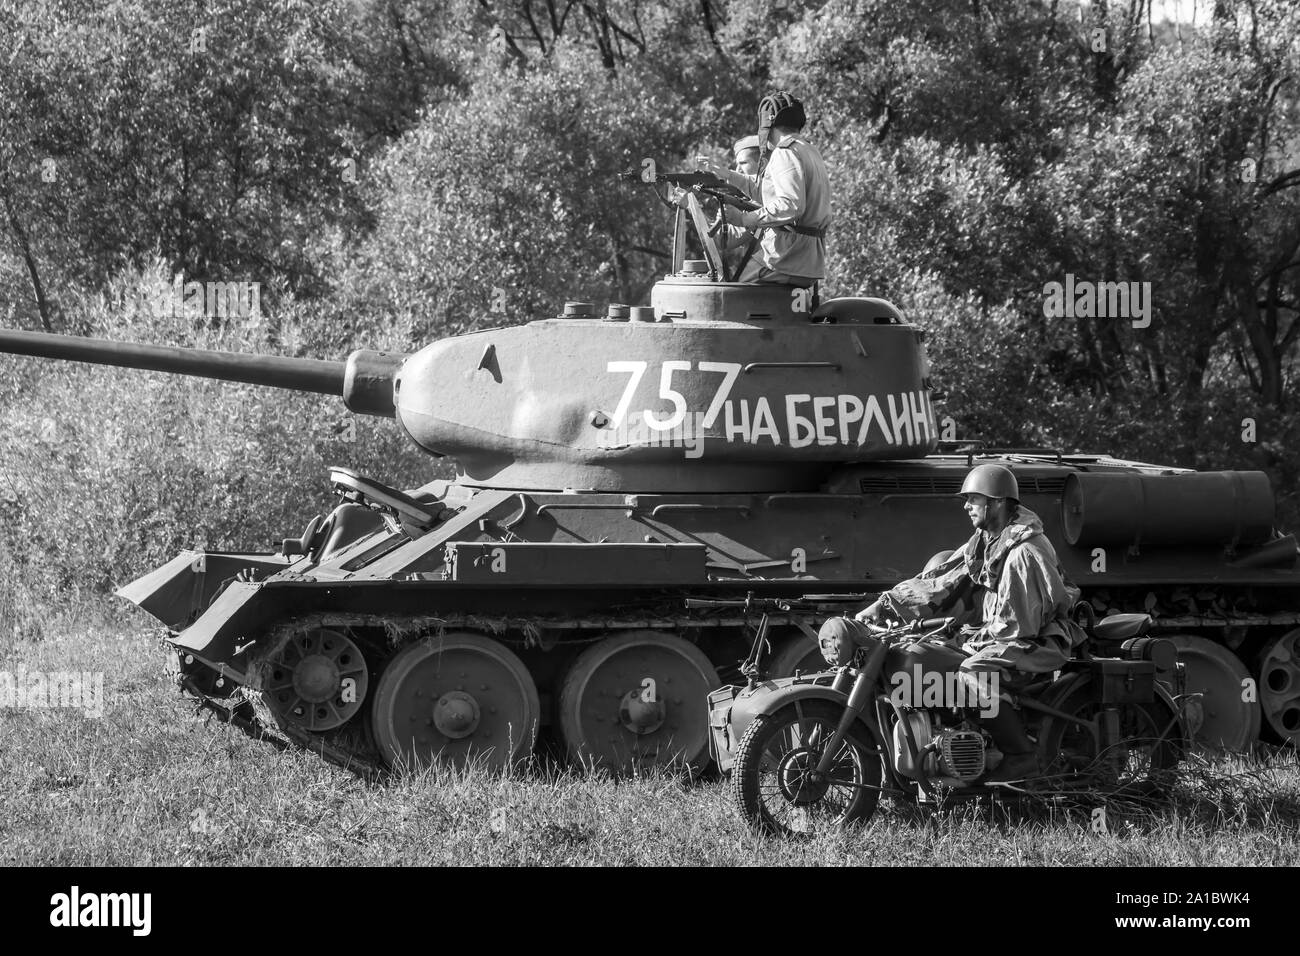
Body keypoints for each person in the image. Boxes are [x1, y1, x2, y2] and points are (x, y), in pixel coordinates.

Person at [819, 464, 1085, 782]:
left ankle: (1020, 756)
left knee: (972, 672)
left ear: (997, 502)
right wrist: (880, 608)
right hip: (1005, 634)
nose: (966, 506)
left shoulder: (1022, 552)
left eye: (973, 499)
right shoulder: (985, 543)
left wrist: (967, 639)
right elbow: (937, 581)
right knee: (924, 656)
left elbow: (1017, 626)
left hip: (1037, 641)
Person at [700, 91, 831, 287]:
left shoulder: (783, 152)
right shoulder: (809, 150)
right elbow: (769, 191)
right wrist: (728, 175)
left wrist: (744, 219)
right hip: (808, 260)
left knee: (729, 298)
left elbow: (790, 205)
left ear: (767, 124)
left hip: (784, 257)